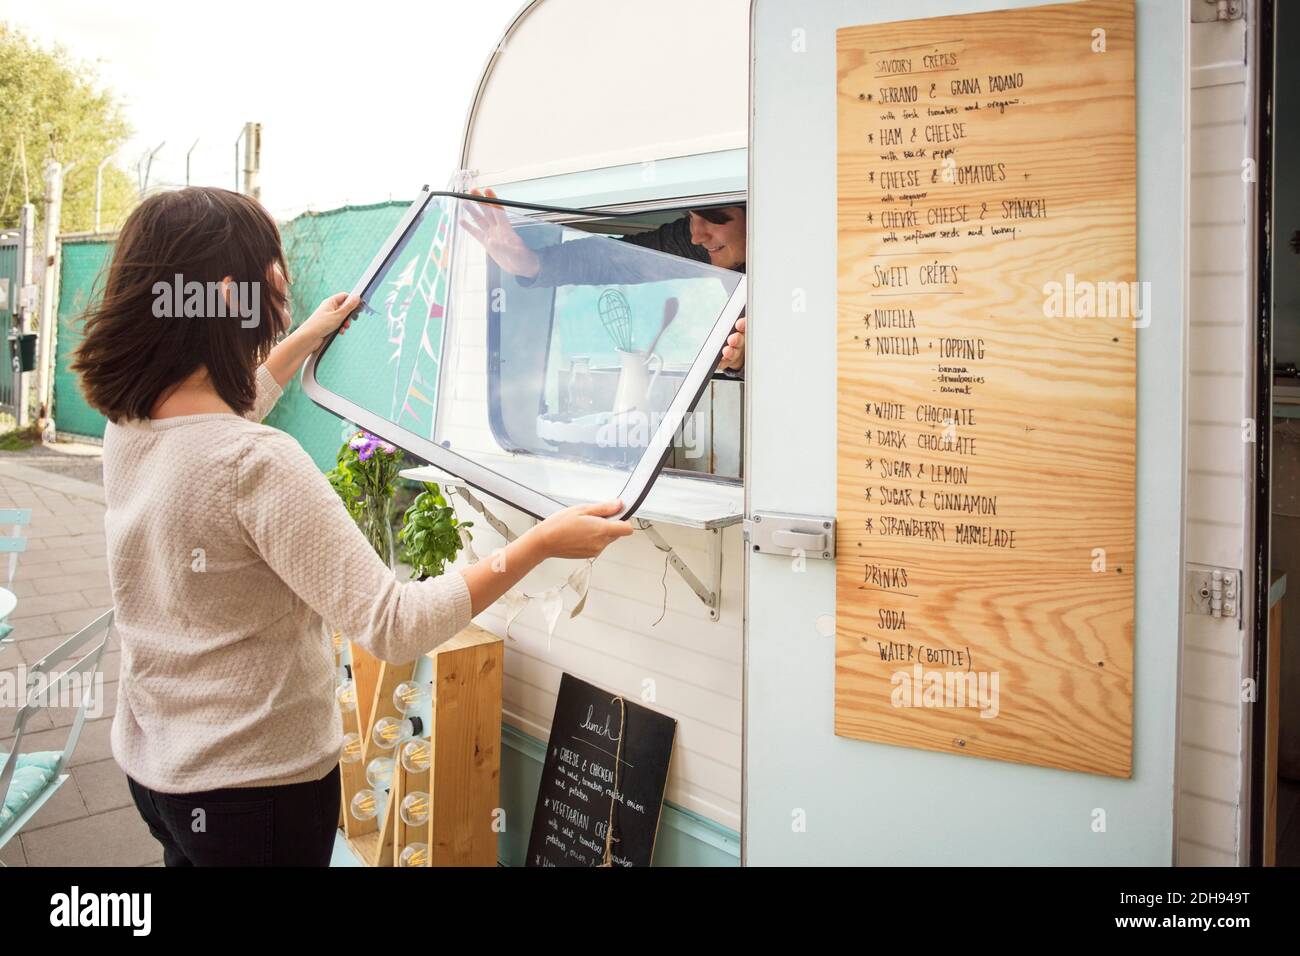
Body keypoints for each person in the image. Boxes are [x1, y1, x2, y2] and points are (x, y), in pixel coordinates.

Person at [70, 186, 632, 867]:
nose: (283, 280)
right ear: (228, 294)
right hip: (256, 791)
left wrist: (304, 338)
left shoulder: (129, 426)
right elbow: (395, 625)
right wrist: (539, 544)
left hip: (157, 770)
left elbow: (218, 423)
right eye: (273, 267)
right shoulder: (255, 464)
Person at [462, 188, 747, 375]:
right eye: (691, 218)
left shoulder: (789, 259)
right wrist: (531, 264)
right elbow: (615, 260)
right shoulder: (697, 245)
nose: (697, 235)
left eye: (713, 219)